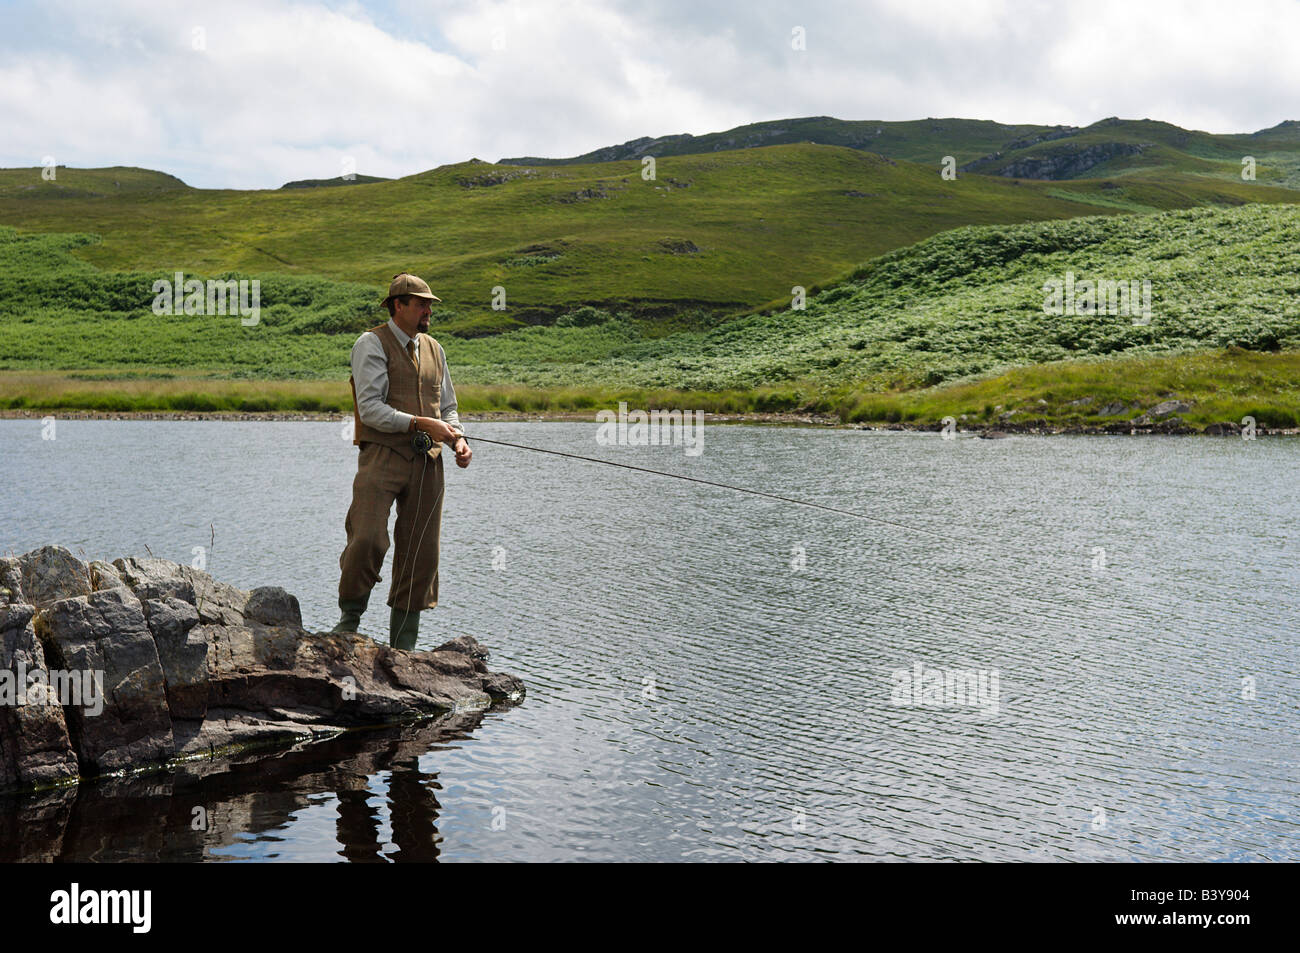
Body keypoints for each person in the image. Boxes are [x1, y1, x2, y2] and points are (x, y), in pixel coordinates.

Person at [332, 273, 471, 648]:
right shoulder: (371, 344)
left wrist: (458, 439)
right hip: (382, 455)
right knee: (367, 539)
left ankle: (404, 648)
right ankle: (349, 622)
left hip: (429, 463)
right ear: (398, 305)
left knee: (421, 553)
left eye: (430, 304)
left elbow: (449, 408)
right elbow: (371, 409)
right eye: (421, 303)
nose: (429, 310)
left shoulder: (435, 349)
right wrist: (419, 423)